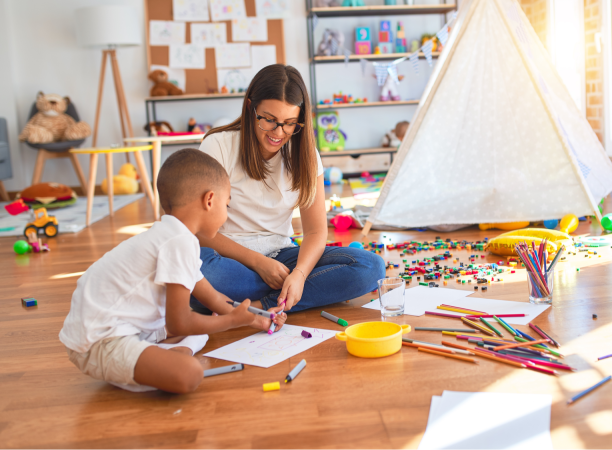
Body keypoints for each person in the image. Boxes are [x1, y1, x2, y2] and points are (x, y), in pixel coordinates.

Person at [59, 149, 287, 394]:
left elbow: (214, 298)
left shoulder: (174, 236)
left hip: (116, 326)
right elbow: (179, 323)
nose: (226, 215)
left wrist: (259, 320)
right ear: (210, 200)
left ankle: (164, 355)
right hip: (99, 341)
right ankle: (161, 359)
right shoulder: (178, 241)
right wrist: (231, 322)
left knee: (203, 330)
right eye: (227, 204)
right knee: (189, 373)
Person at [193, 64, 384, 314]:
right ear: (251, 108)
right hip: (229, 259)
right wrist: (258, 263)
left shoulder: (305, 154)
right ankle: (286, 297)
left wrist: (300, 275)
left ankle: (262, 305)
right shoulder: (217, 145)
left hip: (282, 257)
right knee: (200, 270)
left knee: (371, 267)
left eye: (290, 123)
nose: (279, 133)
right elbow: (198, 229)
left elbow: (316, 232)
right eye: (270, 121)